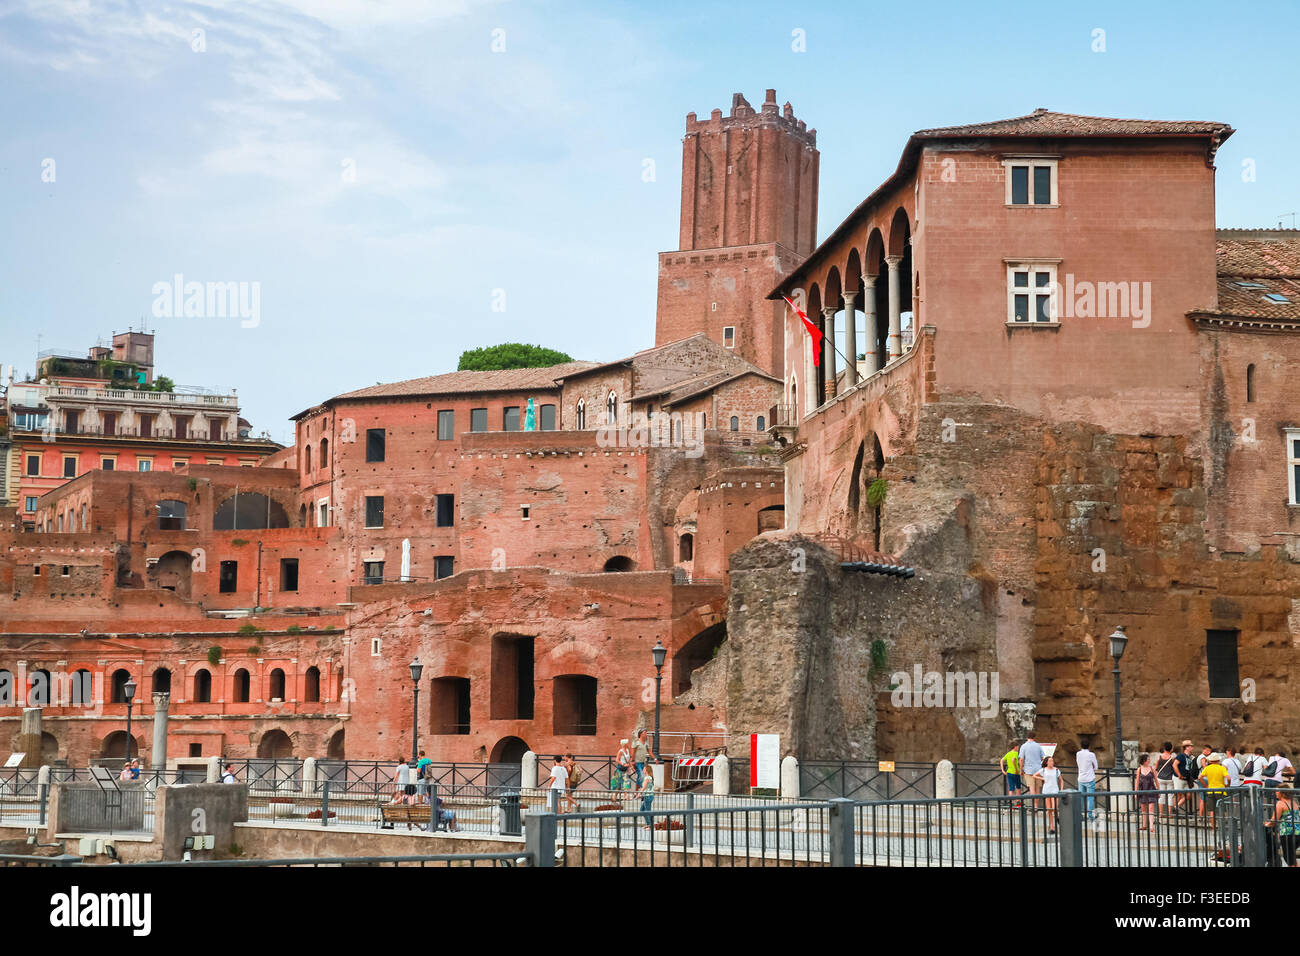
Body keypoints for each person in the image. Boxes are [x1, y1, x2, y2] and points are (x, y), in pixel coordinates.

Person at [1266, 785, 1299, 867]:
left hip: (1287, 834)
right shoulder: (1294, 802)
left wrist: (1266, 824)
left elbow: (1274, 820)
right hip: (1298, 832)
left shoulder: (1280, 804)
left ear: (1282, 793)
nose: (1276, 792)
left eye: (1277, 791)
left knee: (1288, 857)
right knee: (1292, 857)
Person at [1032, 755, 1062, 833]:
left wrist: (1061, 790)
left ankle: (1057, 817)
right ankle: (1052, 827)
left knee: (1055, 807)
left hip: (1055, 790)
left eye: (1052, 761)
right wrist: (1042, 778)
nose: (1052, 762)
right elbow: (1034, 775)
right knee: (1049, 810)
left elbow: (1061, 780)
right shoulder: (1043, 770)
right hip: (1046, 790)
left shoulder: (1056, 770)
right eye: (1050, 761)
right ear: (1046, 762)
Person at [1198, 752, 1229, 826]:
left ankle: (1213, 829)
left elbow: (1200, 778)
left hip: (1210, 791)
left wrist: (1205, 786)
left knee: (1212, 810)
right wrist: (1228, 785)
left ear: (1210, 761)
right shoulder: (1222, 768)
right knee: (1222, 810)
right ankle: (1223, 827)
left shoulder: (1207, 768)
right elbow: (1228, 778)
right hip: (1221, 791)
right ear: (1218, 760)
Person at [1135, 753, 1159, 832]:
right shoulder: (1139, 769)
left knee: (1151, 808)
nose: (1149, 760)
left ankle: (1151, 826)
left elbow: (1156, 780)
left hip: (1151, 789)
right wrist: (1135, 792)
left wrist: (1159, 790)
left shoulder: (1152, 768)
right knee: (1143, 809)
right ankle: (1144, 825)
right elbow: (1137, 781)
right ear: (1144, 760)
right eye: (1148, 759)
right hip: (1142, 790)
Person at [1076, 740, 1098, 821]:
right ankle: (1090, 816)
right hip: (1089, 778)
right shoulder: (1091, 754)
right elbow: (1096, 767)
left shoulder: (1078, 754)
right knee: (1090, 798)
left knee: (1080, 797)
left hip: (1081, 778)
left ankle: (1080, 815)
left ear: (1081, 745)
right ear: (1089, 746)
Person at [1155, 743, 1178, 818]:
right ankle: (1170, 814)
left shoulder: (1159, 757)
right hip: (1169, 779)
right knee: (1170, 796)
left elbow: (1156, 768)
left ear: (1164, 748)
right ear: (1171, 749)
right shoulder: (1172, 758)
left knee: (1161, 796)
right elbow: (1174, 767)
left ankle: (1161, 814)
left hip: (1160, 778)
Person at [1018, 732, 1045, 798]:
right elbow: (1042, 758)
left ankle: (1033, 807)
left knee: (1032, 788)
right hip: (1038, 770)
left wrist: (1021, 770)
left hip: (1028, 770)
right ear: (1034, 737)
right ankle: (1036, 806)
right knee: (1038, 788)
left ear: (1027, 737)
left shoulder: (1024, 746)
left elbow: (1021, 759)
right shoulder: (1038, 746)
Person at [638, 763, 656, 830]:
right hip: (648, 796)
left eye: (644, 769)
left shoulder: (647, 777)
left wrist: (639, 794)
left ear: (647, 770)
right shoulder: (649, 777)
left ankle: (650, 826)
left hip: (648, 796)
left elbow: (644, 787)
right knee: (642, 810)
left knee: (648, 811)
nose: (643, 770)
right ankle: (648, 824)